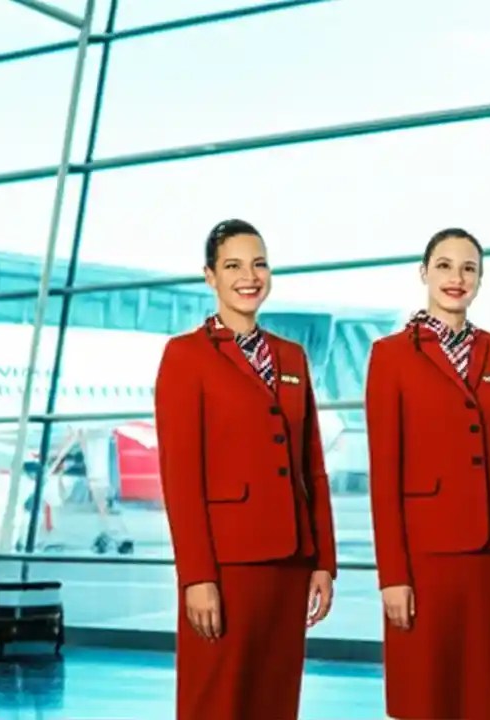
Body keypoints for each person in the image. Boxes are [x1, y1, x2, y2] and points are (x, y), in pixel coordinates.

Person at [154, 219, 338, 720]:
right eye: (233, 265)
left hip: (291, 560)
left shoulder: (291, 356)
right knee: (215, 700)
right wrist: (196, 577)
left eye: (259, 263)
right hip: (226, 564)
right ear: (210, 276)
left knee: (275, 701)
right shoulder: (185, 357)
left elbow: (311, 467)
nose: (249, 276)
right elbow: (180, 477)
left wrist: (323, 559)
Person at [365, 227, 490, 719]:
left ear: (480, 280)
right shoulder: (391, 356)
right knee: (421, 695)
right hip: (423, 560)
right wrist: (392, 575)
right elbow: (384, 475)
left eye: (469, 268)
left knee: (482, 697)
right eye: (444, 265)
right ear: (424, 273)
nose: (456, 277)